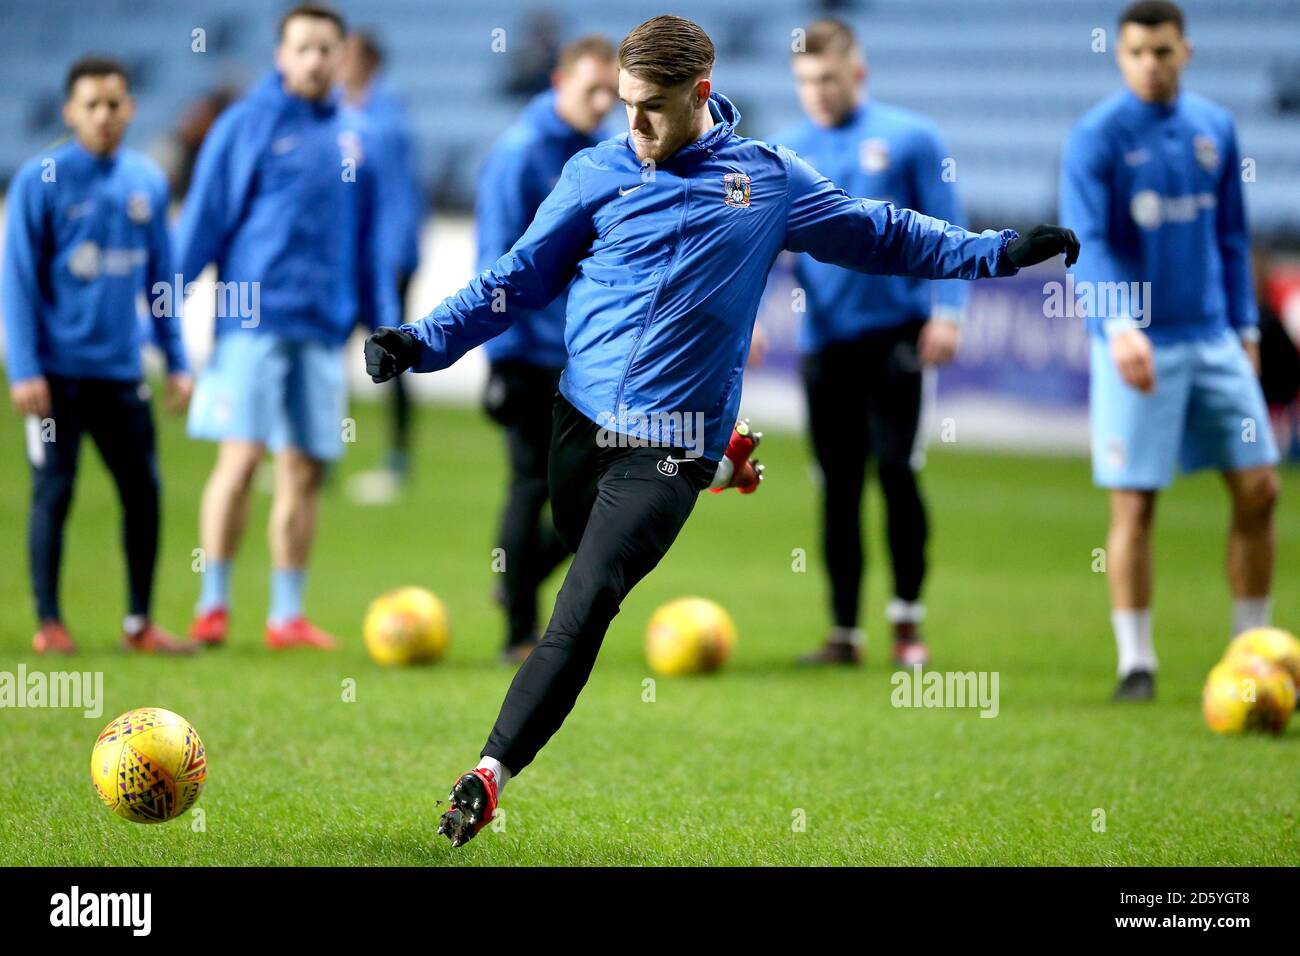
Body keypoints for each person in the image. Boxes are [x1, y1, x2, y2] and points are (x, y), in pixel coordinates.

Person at [365, 14, 1077, 845]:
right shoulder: (595, 171)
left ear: (701, 93)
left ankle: (489, 771)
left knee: (585, 599)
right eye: (625, 104)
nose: (633, 125)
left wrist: (996, 253)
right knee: (559, 538)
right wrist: (421, 342)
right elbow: (515, 278)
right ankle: (725, 463)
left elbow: (881, 232)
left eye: (651, 108)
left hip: (671, 444)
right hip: (580, 420)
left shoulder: (767, 181)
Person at [1061, 0, 1279, 701]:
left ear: (1185, 51)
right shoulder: (1095, 137)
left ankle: (1251, 649)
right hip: (1136, 342)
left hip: (1213, 335)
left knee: (1260, 488)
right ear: (1120, 57)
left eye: (1163, 51)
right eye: (1137, 53)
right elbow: (1086, 245)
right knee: (1136, 506)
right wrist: (1120, 327)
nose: (1150, 64)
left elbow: (1234, 239)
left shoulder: (1214, 127)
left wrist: (1246, 331)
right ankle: (1136, 663)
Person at [178, 3, 397, 650]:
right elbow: (204, 221)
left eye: (326, 48)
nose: (315, 59)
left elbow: (368, 241)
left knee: (304, 470)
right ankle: (213, 602)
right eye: (302, 47)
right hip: (253, 322)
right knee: (241, 457)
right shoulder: (243, 125)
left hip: (322, 327)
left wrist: (380, 321)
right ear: (281, 55)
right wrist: (164, 304)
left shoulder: (356, 136)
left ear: (341, 56)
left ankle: (286, 615)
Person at [775, 19, 968, 668]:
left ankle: (908, 623)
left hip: (898, 338)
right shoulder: (783, 153)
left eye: (828, 78)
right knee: (836, 485)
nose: (817, 92)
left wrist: (951, 312)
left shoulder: (911, 139)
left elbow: (951, 229)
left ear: (856, 74)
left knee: (895, 471)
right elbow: (758, 247)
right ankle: (843, 633)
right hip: (825, 343)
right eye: (805, 81)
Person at [2, 56, 194, 655]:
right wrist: (26, 367)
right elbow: (18, 282)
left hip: (121, 374)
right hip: (57, 377)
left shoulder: (147, 181)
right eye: (92, 105)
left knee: (144, 493)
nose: (105, 116)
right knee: (54, 491)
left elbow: (162, 280)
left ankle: (139, 622)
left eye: (115, 104)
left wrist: (178, 359)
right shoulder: (41, 179)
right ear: (70, 112)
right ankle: (50, 623)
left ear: (130, 108)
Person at [476, 35, 619, 664]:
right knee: (532, 482)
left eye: (609, 94)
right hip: (527, 352)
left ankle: (515, 583)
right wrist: (498, 357)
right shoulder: (522, 151)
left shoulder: (598, 154)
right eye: (590, 89)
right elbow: (497, 259)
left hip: (578, 354)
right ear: (559, 80)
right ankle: (517, 632)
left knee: (591, 491)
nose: (601, 103)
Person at [339, 30, 425, 502]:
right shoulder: (343, 112)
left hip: (382, 262)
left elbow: (396, 196)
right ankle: (316, 455)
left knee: (389, 353)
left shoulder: (384, 120)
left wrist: (391, 261)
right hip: (348, 261)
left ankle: (396, 461)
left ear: (368, 62)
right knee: (326, 356)